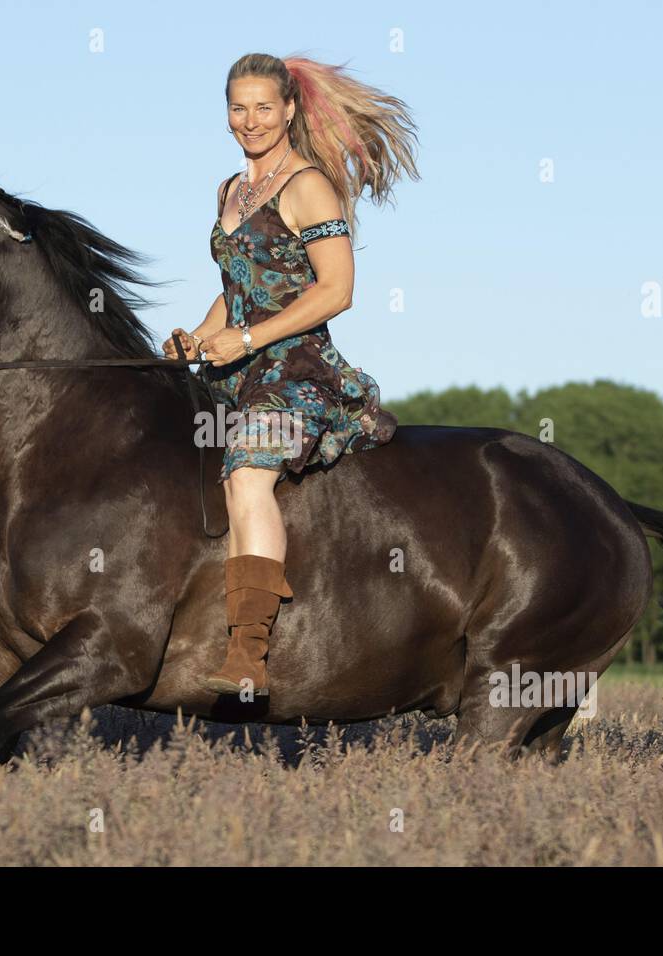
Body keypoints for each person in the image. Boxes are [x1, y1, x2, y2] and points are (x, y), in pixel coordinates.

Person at [163, 52, 419, 699]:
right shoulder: (230, 190)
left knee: (248, 472)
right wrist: (198, 335)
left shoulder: (307, 186)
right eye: (238, 108)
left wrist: (246, 337)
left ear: (289, 110)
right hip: (235, 371)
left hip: (298, 373)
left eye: (263, 108)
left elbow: (336, 291)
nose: (250, 120)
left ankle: (249, 652)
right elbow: (239, 288)